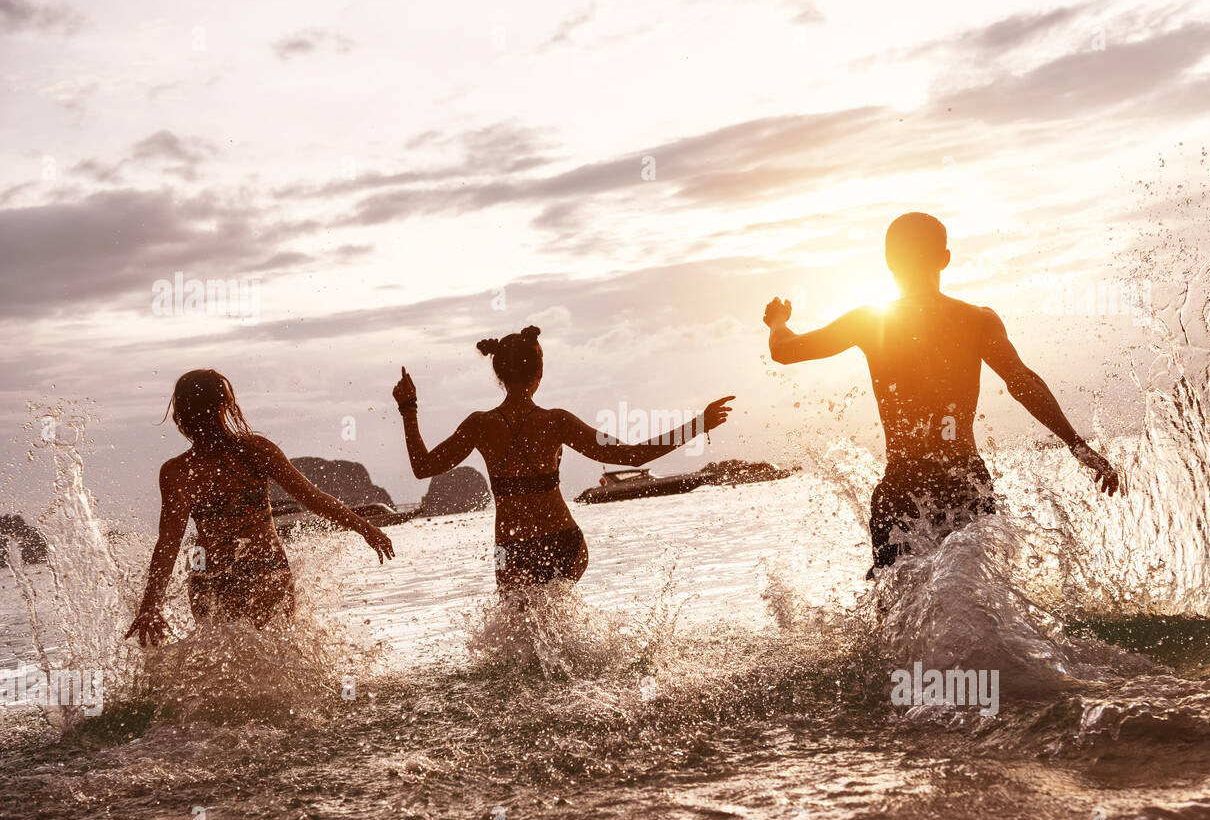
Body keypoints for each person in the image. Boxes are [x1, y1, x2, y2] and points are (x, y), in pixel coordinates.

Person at [765, 212, 1119, 573]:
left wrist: (778, 321)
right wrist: (1076, 443)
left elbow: (785, 351)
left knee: (897, 605)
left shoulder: (870, 321)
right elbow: (1022, 381)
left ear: (888, 262)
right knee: (978, 595)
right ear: (945, 258)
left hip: (903, 484)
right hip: (964, 480)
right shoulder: (977, 319)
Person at [392, 325, 734, 589]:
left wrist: (409, 409)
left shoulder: (480, 426)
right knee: (559, 637)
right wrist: (697, 425)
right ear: (538, 372)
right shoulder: (556, 422)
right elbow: (631, 454)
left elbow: (423, 467)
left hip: (508, 551)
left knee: (519, 654)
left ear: (498, 375)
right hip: (565, 541)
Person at [125, 369, 395, 645]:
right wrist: (365, 528)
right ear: (225, 406)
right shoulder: (254, 450)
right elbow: (313, 498)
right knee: (278, 652)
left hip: (210, 574)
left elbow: (169, 542)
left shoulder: (178, 471)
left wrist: (151, 604)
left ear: (180, 414)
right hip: (265, 568)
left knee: (218, 665)